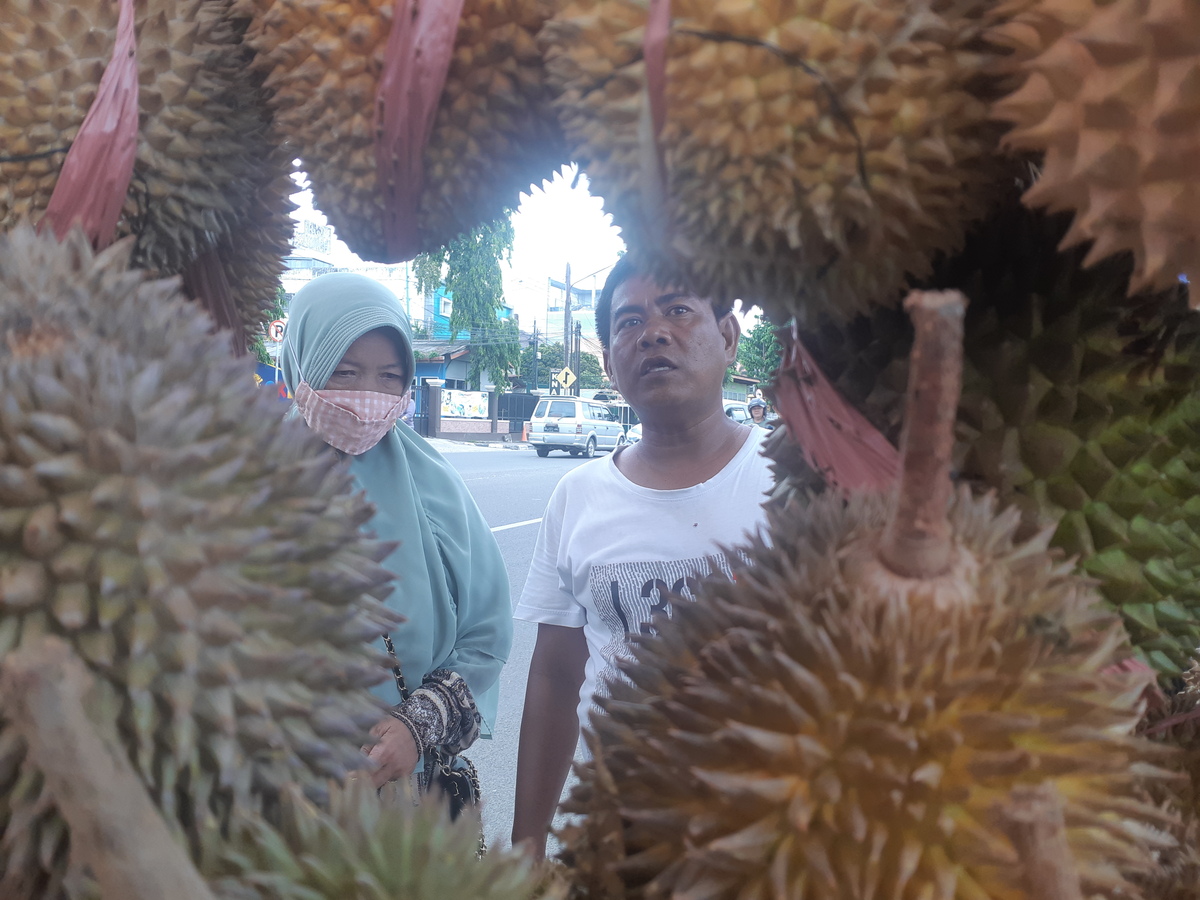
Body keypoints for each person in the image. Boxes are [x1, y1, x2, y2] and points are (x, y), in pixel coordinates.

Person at [510, 257, 774, 858]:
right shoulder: (576, 497)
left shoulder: (796, 477)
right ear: (608, 363)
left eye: (678, 310)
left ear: (728, 337)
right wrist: (527, 844)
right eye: (629, 322)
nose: (653, 331)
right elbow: (554, 675)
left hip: (767, 838)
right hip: (613, 834)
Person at [279, 272, 512, 795]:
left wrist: (416, 727)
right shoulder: (238, 478)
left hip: (407, 795)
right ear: (302, 364)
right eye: (344, 372)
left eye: (389, 376)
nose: (369, 395)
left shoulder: (433, 483)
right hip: (273, 796)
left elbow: (487, 634)